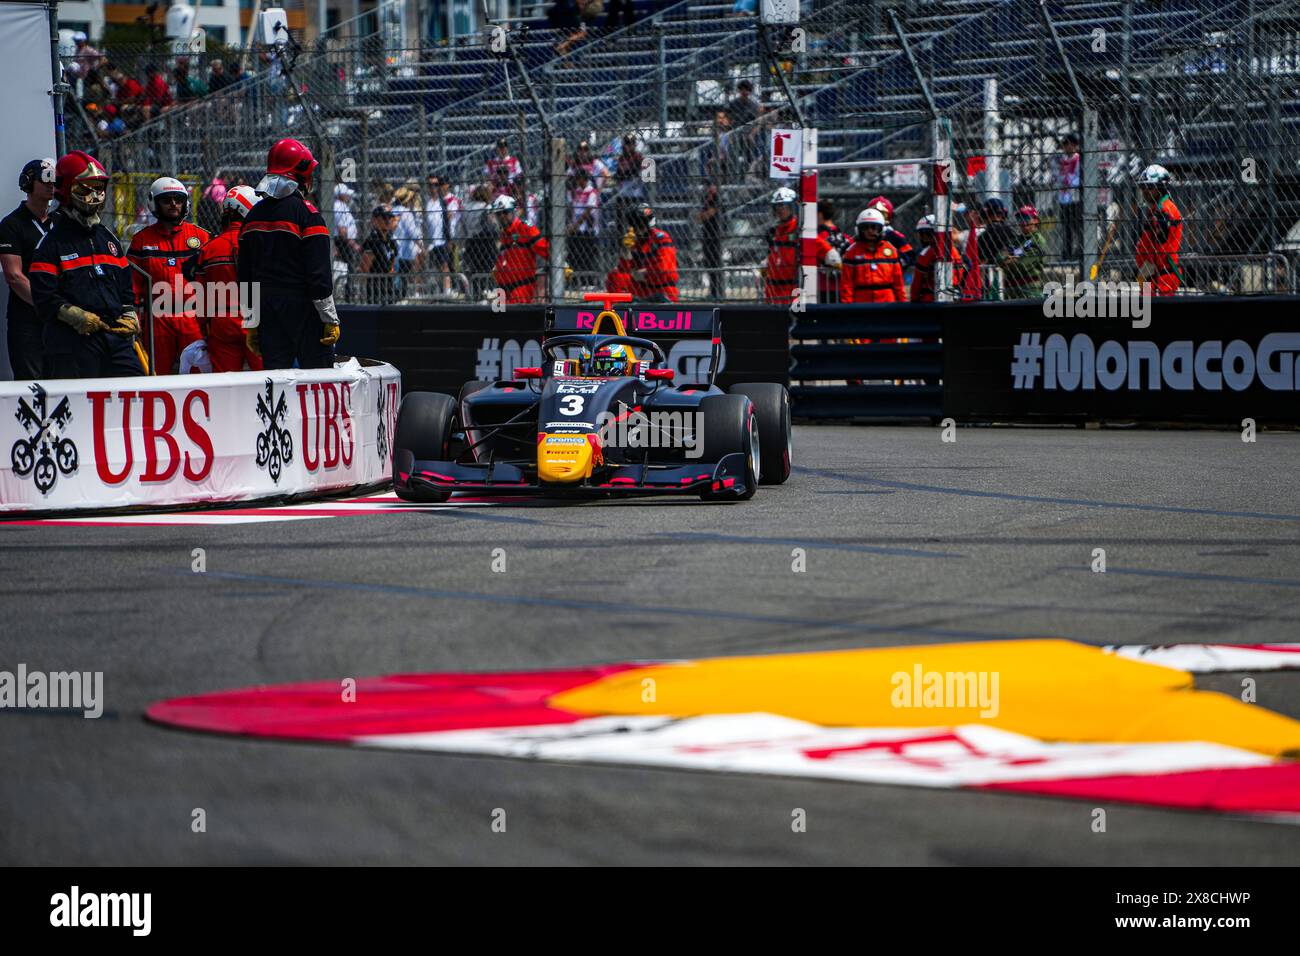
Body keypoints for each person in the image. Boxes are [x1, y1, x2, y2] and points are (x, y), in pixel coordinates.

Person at [29, 152, 144, 378]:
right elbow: (43, 296)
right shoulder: (52, 241)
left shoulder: (108, 239)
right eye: (86, 188)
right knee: (80, 405)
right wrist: (75, 316)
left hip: (114, 337)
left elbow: (124, 288)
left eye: (99, 188)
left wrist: (130, 313)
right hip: (72, 341)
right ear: (67, 189)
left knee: (136, 392)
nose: (95, 195)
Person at [237, 138, 338, 369]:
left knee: (276, 382)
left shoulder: (252, 217)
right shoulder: (308, 215)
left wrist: (252, 322)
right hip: (303, 308)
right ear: (303, 176)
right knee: (318, 377)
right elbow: (319, 276)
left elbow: (244, 277)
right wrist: (329, 319)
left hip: (267, 310)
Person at [128, 176, 209, 375]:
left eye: (178, 199)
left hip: (193, 317)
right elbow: (132, 285)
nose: (173, 204)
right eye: (166, 199)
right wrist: (133, 314)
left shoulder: (201, 237)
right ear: (154, 203)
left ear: (185, 203)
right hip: (157, 319)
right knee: (156, 375)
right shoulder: (141, 240)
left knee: (197, 374)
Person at [192, 185, 262, 372]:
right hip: (257, 320)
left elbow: (200, 297)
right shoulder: (260, 243)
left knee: (226, 384)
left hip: (221, 324)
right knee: (266, 383)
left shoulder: (209, 248)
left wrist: (205, 328)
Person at [1, 159, 57, 379]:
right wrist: (50, 305)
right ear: (28, 183)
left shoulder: (62, 222)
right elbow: (14, 276)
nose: (51, 184)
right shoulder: (12, 224)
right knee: (30, 384)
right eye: (45, 179)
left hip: (59, 320)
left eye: (55, 180)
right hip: (27, 320)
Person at [763, 186, 836, 305]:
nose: (781, 210)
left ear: (793, 207)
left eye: (785, 206)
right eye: (778, 206)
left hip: (794, 290)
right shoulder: (774, 232)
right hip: (773, 292)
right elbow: (774, 255)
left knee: (796, 319)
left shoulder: (800, 229)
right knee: (774, 321)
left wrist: (830, 255)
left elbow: (817, 243)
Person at [491, 194, 548, 304]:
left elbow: (544, 249)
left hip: (521, 287)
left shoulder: (525, 228)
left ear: (513, 211)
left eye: (505, 212)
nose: (502, 216)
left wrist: (561, 265)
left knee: (516, 318)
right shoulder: (503, 233)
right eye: (498, 214)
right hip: (502, 289)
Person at [841, 208, 906, 303]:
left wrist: (903, 303)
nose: (870, 231)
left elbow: (898, 282)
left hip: (887, 302)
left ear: (882, 229)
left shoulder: (891, 251)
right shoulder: (851, 253)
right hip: (861, 303)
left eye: (874, 227)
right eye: (865, 227)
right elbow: (847, 284)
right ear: (858, 230)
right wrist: (847, 307)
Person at [1136, 164, 1183, 296]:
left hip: (1162, 273)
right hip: (1151, 272)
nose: (1145, 191)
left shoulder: (1165, 210)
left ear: (1161, 188)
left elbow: (1161, 246)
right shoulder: (1156, 209)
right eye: (1143, 187)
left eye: (1150, 187)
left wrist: (1147, 266)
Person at [625, 204, 678, 302]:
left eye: (639, 224)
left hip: (663, 290)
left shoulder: (661, 238)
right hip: (642, 290)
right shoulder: (635, 241)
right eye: (634, 225)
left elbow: (663, 270)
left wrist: (642, 274)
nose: (636, 228)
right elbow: (627, 270)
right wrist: (626, 250)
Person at [909, 214, 959, 303]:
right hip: (953, 296)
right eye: (922, 234)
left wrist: (914, 299)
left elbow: (917, 282)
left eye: (927, 234)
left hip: (929, 299)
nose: (924, 238)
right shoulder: (953, 250)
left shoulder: (925, 254)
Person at [359, 205, 400, 305]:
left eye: (389, 217)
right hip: (375, 289)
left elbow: (392, 262)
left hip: (389, 286)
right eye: (384, 218)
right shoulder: (372, 240)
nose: (388, 220)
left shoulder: (391, 240)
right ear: (375, 220)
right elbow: (365, 269)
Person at [1002, 205, 1046, 299]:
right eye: (1019, 219)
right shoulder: (1016, 240)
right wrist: (1009, 259)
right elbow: (999, 256)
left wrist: (1008, 260)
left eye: (1026, 218)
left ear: (1035, 220)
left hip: (1029, 288)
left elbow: (1023, 264)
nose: (1022, 222)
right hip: (1011, 288)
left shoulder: (1037, 240)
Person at [462, 183, 496, 300]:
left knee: (474, 270)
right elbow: (493, 226)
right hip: (485, 243)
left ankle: (477, 295)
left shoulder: (466, 208)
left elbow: (460, 229)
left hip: (470, 242)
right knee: (488, 268)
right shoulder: (486, 208)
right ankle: (489, 291)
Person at [568, 167, 601, 286]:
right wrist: (572, 226)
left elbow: (588, 212)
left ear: (584, 179)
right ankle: (578, 282)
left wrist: (574, 227)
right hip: (577, 230)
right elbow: (573, 210)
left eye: (579, 178)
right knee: (576, 257)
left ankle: (591, 283)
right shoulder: (577, 191)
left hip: (588, 231)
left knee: (587, 258)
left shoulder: (591, 192)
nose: (577, 181)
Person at [390, 184, 423, 295]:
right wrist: (421, 246)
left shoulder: (392, 210)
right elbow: (413, 233)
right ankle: (401, 296)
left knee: (394, 274)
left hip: (392, 248)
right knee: (403, 276)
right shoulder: (406, 213)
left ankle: (395, 295)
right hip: (404, 252)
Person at [864, 196, 915, 269]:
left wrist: (893, 254)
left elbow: (910, 257)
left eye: (882, 214)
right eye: (875, 213)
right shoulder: (863, 234)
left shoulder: (894, 236)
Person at [694, 180, 724, 300]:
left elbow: (708, 214)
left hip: (716, 235)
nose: (709, 189)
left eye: (710, 186)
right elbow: (700, 216)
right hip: (707, 235)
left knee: (716, 264)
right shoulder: (707, 199)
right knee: (709, 263)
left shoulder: (717, 198)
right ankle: (713, 292)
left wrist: (702, 216)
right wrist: (701, 216)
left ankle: (718, 293)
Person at [816, 199, 851, 303]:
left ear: (819, 215)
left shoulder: (816, 238)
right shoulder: (846, 238)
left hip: (821, 288)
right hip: (842, 288)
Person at [1057, 133, 1082, 259]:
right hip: (1064, 198)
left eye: (1068, 145)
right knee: (1066, 228)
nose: (1066, 148)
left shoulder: (1078, 159)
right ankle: (1067, 253)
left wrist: (1069, 183)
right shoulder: (1062, 160)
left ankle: (1080, 251)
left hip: (1075, 198)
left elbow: (1078, 177)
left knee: (1076, 227)